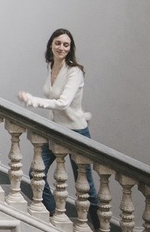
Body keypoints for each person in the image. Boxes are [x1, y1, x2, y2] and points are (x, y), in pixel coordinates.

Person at [20, 25, 95, 221]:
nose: (62, 48)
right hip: (56, 131)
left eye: (66, 45)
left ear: (71, 49)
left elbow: (62, 103)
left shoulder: (74, 72)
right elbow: (57, 105)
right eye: (58, 43)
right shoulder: (52, 67)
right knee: (36, 172)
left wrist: (31, 100)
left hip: (76, 133)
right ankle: (55, 216)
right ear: (51, 45)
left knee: (87, 188)